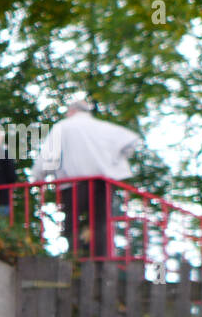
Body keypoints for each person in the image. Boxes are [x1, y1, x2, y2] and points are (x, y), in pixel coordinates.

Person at [29, 96, 141, 258]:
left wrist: (38, 178)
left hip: (73, 183)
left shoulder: (63, 127)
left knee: (72, 222)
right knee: (101, 223)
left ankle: (75, 259)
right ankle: (101, 261)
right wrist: (114, 165)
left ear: (72, 111)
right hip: (103, 183)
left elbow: (48, 157)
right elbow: (129, 142)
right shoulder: (104, 127)